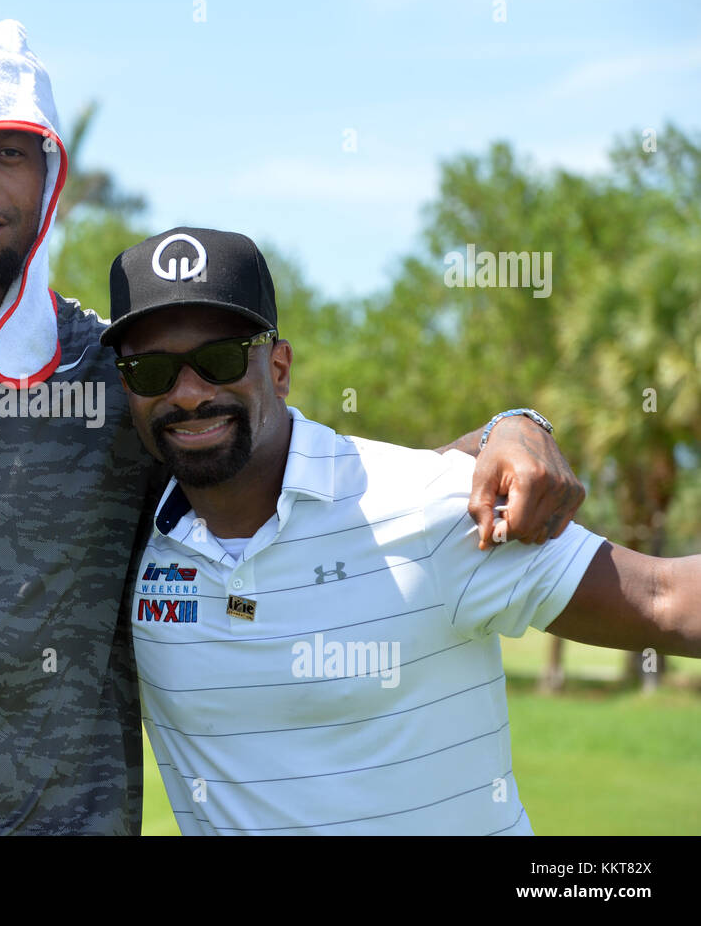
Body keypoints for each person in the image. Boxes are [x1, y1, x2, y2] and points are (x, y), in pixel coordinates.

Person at [0, 21, 585, 835]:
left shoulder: (120, 376)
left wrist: (513, 424)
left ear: (49, 177)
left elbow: (315, 474)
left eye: (10, 151)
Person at [105, 226, 700, 835]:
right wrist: (509, 424)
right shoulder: (122, 535)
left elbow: (664, 598)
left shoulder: (431, 509)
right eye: (151, 371)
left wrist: (515, 425)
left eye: (220, 359)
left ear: (278, 367)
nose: (188, 393)